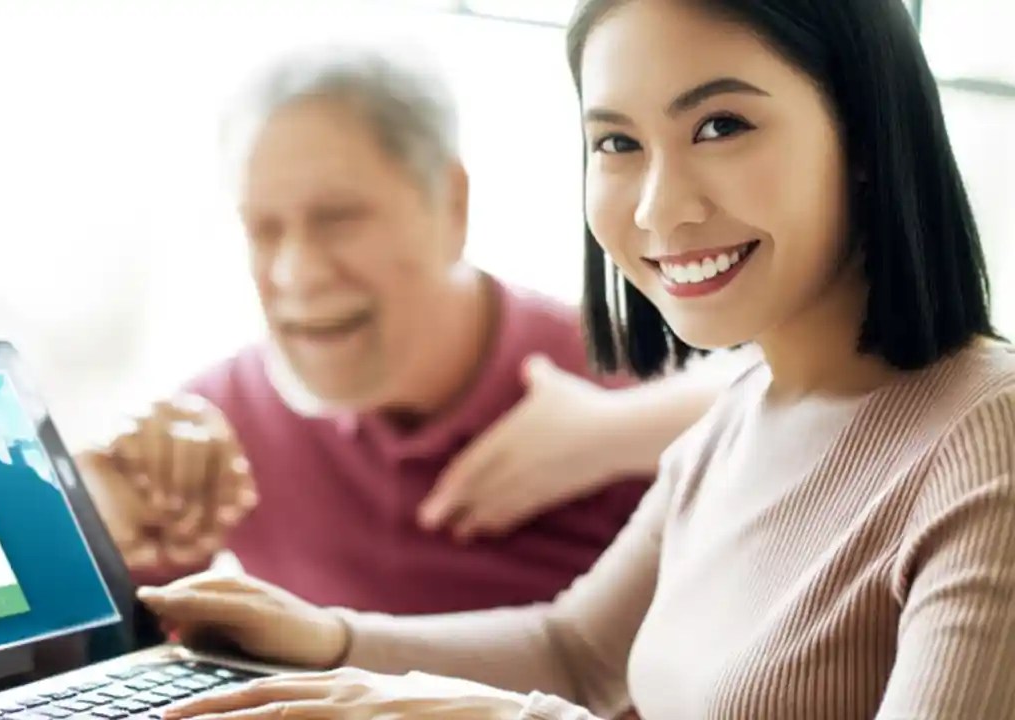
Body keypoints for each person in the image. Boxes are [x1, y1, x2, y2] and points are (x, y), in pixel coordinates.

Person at [132, 0, 1015, 718]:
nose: (660, 210)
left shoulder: (991, 439)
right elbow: (579, 652)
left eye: (720, 126)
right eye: (618, 144)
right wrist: (332, 640)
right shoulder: (747, 408)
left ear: (865, 137)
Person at [79, 45, 736, 615]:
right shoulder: (218, 426)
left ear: (452, 205)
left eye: (338, 219)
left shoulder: (621, 384)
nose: (296, 273)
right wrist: (101, 509)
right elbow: (67, 652)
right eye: (264, 228)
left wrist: (621, 435)